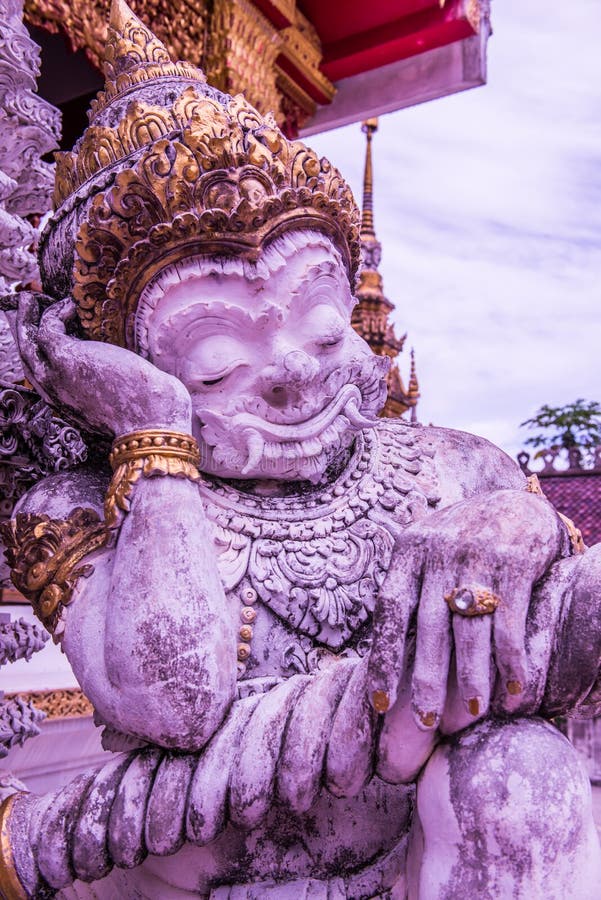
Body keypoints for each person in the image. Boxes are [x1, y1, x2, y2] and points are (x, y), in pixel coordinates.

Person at [1, 1, 600, 896]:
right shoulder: (77, 509)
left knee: (520, 775)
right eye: (212, 356)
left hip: (422, 857)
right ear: (106, 363)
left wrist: (520, 529)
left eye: (321, 326)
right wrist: (153, 424)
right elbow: (175, 702)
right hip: (211, 879)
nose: (289, 369)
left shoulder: (451, 468)